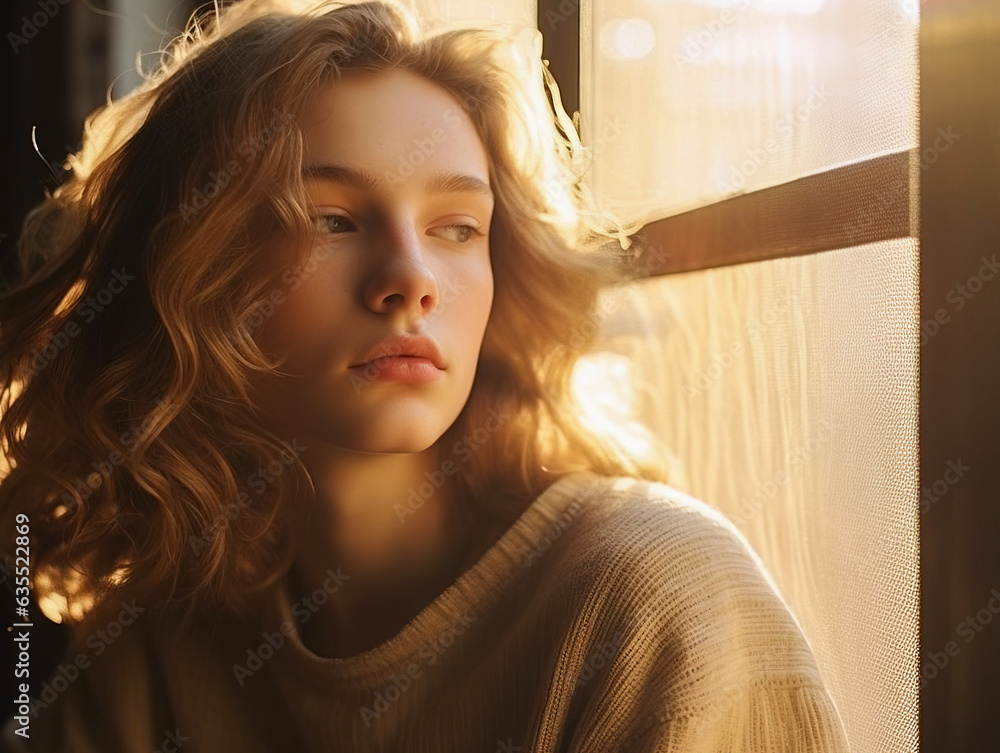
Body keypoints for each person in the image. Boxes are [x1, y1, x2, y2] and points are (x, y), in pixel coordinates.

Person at [0, 1, 851, 750]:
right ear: (190, 268)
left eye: (456, 227)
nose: (410, 279)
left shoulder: (652, 600)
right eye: (331, 218)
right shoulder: (164, 627)